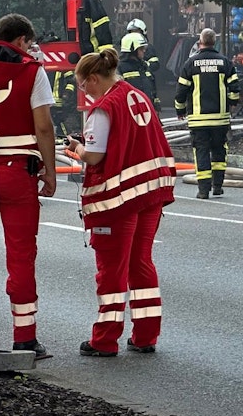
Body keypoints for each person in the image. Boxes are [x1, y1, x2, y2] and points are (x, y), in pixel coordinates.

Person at [67, 48, 175, 357]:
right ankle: (146, 335)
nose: (84, 92)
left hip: (118, 199)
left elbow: (96, 155)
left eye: (83, 85)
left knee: (111, 269)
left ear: (93, 78)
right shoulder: (136, 95)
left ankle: (104, 339)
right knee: (141, 262)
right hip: (151, 191)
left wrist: (75, 150)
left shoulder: (103, 108)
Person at [0, 14, 58, 360]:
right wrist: (50, 171)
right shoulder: (33, 72)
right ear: (19, 41)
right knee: (20, 256)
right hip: (17, 173)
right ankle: (24, 339)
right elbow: (43, 127)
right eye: (29, 43)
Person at [173, 28, 240, 199]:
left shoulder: (190, 64)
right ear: (214, 42)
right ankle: (218, 186)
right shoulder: (225, 62)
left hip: (198, 120)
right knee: (219, 151)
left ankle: (203, 190)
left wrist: (180, 110)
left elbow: (181, 91)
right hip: (220, 119)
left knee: (201, 151)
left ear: (199, 42)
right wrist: (231, 103)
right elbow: (234, 88)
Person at [119, 35, 159, 112]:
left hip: (147, 109)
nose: (144, 51)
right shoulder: (120, 68)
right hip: (130, 111)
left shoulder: (144, 66)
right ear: (132, 50)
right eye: (141, 49)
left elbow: (152, 86)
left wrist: (156, 104)